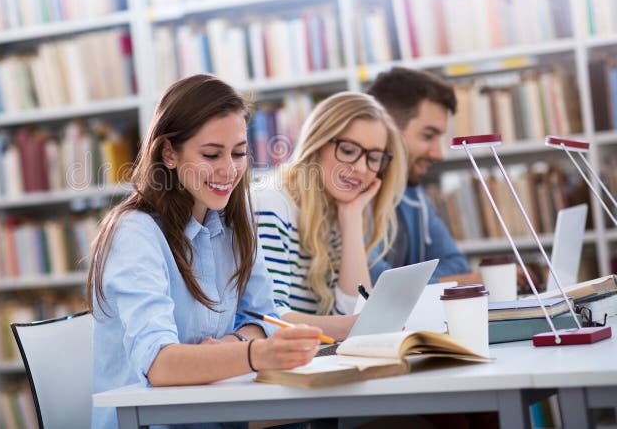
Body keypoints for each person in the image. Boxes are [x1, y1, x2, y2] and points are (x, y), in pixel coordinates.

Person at [85, 74, 323, 429]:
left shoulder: (232, 225)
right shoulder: (135, 235)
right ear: (169, 153)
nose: (229, 170)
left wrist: (231, 343)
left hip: (216, 416)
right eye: (211, 154)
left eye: (239, 153)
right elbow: (159, 365)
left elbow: (265, 319)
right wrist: (253, 353)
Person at [252, 92, 407, 341]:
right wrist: (356, 326)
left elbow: (351, 311)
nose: (361, 168)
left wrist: (352, 218)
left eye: (374, 158)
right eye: (348, 150)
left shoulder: (334, 213)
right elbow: (269, 319)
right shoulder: (271, 204)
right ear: (318, 143)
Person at [365, 66, 470, 284]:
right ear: (387, 129)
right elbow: (378, 282)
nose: (439, 154)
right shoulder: (351, 199)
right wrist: (472, 280)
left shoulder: (414, 195)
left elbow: (457, 264)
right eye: (428, 136)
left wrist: (412, 286)